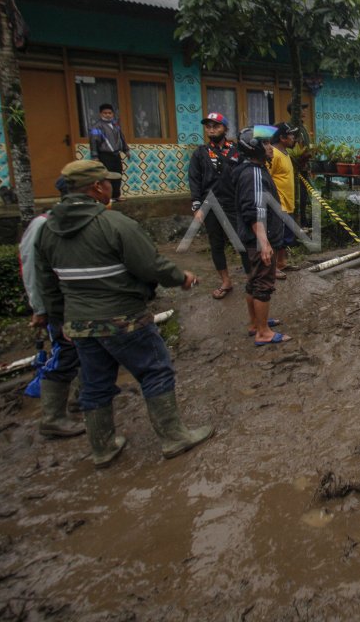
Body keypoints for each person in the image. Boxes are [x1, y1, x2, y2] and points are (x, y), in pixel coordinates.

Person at [33, 159, 210, 468]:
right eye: (108, 182)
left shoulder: (47, 230)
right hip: (123, 318)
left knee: (94, 382)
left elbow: (48, 282)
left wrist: (59, 321)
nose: (112, 187)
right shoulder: (114, 224)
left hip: (80, 324)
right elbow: (150, 265)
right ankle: (174, 437)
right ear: (97, 187)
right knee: (154, 370)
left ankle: (102, 447)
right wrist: (182, 277)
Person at [18, 176, 83, 438]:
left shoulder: (80, 221)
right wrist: (39, 308)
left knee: (88, 349)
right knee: (66, 353)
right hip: (60, 306)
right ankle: (53, 418)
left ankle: (83, 397)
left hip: (80, 304)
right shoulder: (43, 225)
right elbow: (32, 269)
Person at [231, 126, 291, 346]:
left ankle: (256, 323)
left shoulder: (246, 168)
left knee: (253, 280)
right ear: (254, 148)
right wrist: (264, 243)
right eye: (265, 144)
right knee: (263, 284)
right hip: (258, 239)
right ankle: (263, 332)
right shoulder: (254, 172)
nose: (270, 148)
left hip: (250, 238)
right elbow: (254, 210)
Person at [188, 112, 241, 300]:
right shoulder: (200, 153)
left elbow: (244, 176)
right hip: (209, 205)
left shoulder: (236, 151)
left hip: (233, 204)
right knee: (216, 244)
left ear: (225, 129)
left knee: (241, 241)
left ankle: (252, 277)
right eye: (208, 126)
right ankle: (225, 281)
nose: (211, 129)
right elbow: (194, 179)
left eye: (216, 126)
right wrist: (197, 206)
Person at [267, 122, 298, 280]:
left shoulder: (285, 153)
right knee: (275, 236)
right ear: (282, 137)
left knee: (286, 235)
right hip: (277, 202)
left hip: (288, 201)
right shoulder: (273, 153)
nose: (293, 138)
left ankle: (281, 262)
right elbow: (267, 177)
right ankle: (271, 268)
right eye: (291, 135)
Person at [88, 103, 130, 201]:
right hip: (104, 155)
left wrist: (126, 150)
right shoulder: (97, 127)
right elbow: (93, 141)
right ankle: (107, 197)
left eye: (109, 113)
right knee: (106, 177)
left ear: (113, 114)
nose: (107, 115)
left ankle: (116, 196)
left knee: (118, 175)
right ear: (100, 114)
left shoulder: (116, 125)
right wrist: (95, 156)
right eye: (105, 113)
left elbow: (121, 138)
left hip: (116, 154)